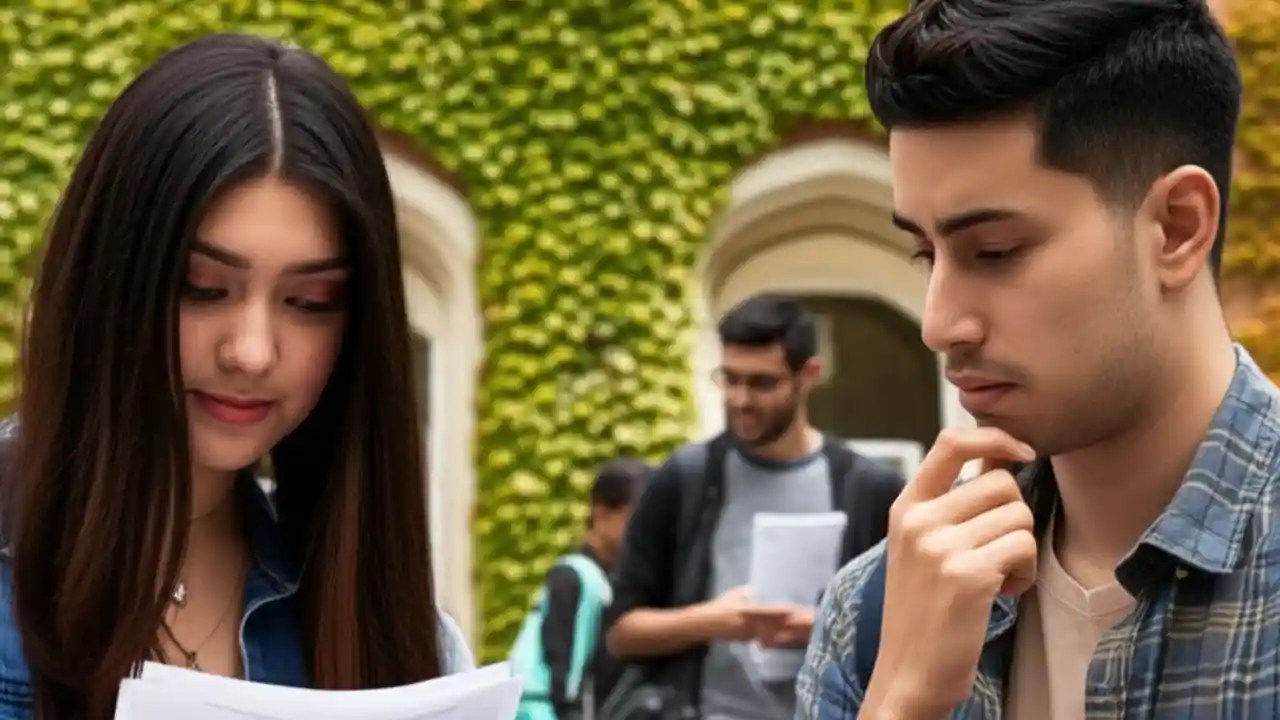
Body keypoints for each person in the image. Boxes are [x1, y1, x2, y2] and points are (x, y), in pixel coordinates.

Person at [795, 1, 1280, 718]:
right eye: (925, 254)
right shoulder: (873, 611)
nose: (938, 324)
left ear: (1177, 229)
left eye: (994, 252)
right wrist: (900, 701)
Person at [0, 33, 474, 720]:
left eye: (308, 303)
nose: (251, 351)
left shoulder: (401, 640)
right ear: (109, 283)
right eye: (201, 287)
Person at [604, 294, 905, 720]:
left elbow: (908, 630)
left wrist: (823, 628)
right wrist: (720, 620)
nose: (741, 399)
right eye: (730, 379)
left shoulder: (869, 488)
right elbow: (621, 633)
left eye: (762, 383)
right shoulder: (685, 477)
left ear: (809, 376)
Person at [511, 456, 652, 720]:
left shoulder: (605, 578)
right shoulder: (575, 575)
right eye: (637, 518)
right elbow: (563, 677)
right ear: (601, 512)